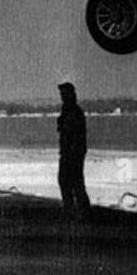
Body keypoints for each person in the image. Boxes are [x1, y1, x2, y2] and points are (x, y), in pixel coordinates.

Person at [56, 82, 90, 222]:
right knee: (70, 183)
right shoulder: (69, 110)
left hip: (72, 154)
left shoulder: (73, 112)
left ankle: (79, 212)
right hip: (69, 153)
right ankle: (73, 211)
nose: (62, 97)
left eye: (64, 94)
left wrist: (72, 153)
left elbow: (75, 135)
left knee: (74, 183)